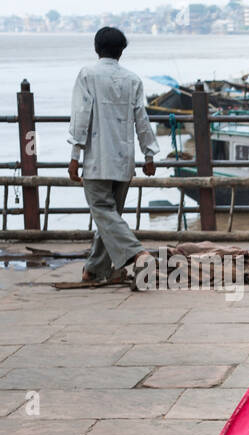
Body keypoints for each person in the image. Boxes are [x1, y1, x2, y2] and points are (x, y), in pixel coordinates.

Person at [67, 26, 158, 284]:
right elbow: (142, 119)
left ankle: (138, 254)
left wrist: (75, 155)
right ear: (122, 50)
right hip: (123, 160)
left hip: (97, 159)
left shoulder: (87, 75)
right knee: (110, 218)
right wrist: (149, 154)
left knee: (104, 214)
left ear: (97, 48)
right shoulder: (133, 79)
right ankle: (95, 271)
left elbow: (80, 116)